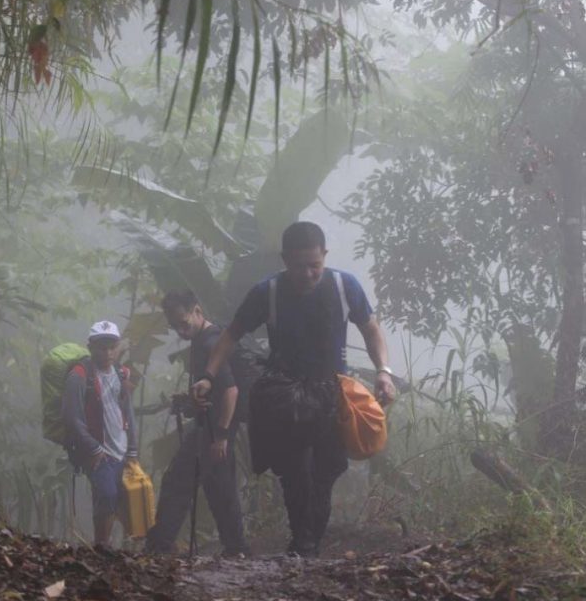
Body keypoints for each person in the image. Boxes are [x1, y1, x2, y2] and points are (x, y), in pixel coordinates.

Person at [191, 222, 396, 557]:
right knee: (294, 470)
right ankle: (304, 543)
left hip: (332, 392)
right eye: (300, 266)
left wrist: (383, 372)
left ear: (325, 256)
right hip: (284, 394)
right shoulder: (267, 292)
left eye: (315, 265)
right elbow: (231, 335)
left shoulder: (345, 286)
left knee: (328, 468)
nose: (308, 273)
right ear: (285, 259)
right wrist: (208, 377)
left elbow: (371, 329)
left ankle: (308, 539)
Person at [145, 290, 248, 557]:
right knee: (218, 487)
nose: (180, 330)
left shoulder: (209, 342)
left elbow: (230, 391)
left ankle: (160, 546)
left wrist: (222, 436)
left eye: (184, 322)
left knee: (178, 480)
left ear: (198, 312)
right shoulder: (205, 338)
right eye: (174, 325)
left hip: (216, 429)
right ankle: (236, 547)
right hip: (213, 426)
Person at [62, 319, 139, 548]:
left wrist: (133, 449)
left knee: (123, 497)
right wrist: (93, 448)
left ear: (117, 347)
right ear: (90, 347)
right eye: (101, 346)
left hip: (122, 449)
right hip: (96, 450)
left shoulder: (122, 374)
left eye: (111, 347)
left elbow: (128, 412)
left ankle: (119, 547)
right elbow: (72, 418)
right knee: (106, 494)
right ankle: (102, 545)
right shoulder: (78, 376)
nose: (107, 352)